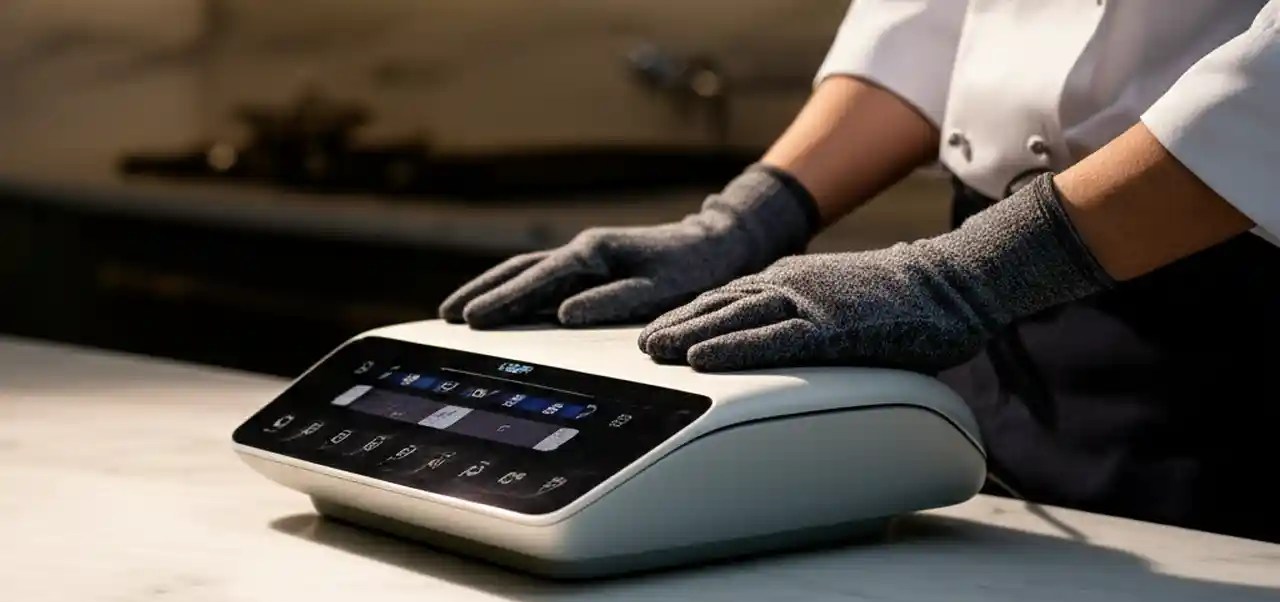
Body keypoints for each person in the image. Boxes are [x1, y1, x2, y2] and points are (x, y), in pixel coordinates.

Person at [439, 1, 1280, 543]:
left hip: (1236, 326)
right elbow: (935, 18)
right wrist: (748, 217)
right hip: (1001, 316)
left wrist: (975, 274)